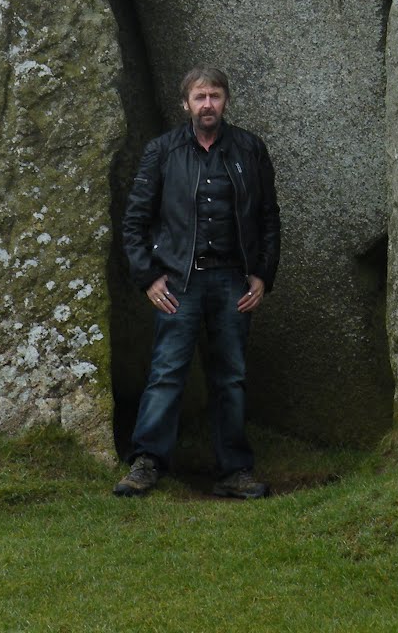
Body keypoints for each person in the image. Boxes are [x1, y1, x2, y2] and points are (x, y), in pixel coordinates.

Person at [114, 66, 281, 499]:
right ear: (185, 103)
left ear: (226, 101)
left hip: (232, 281)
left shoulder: (250, 149)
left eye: (216, 96)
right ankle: (147, 463)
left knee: (231, 376)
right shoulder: (162, 151)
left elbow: (268, 218)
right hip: (178, 283)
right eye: (200, 97)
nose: (208, 105)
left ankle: (234, 471)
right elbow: (134, 220)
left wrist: (262, 274)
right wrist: (148, 277)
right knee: (167, 372)